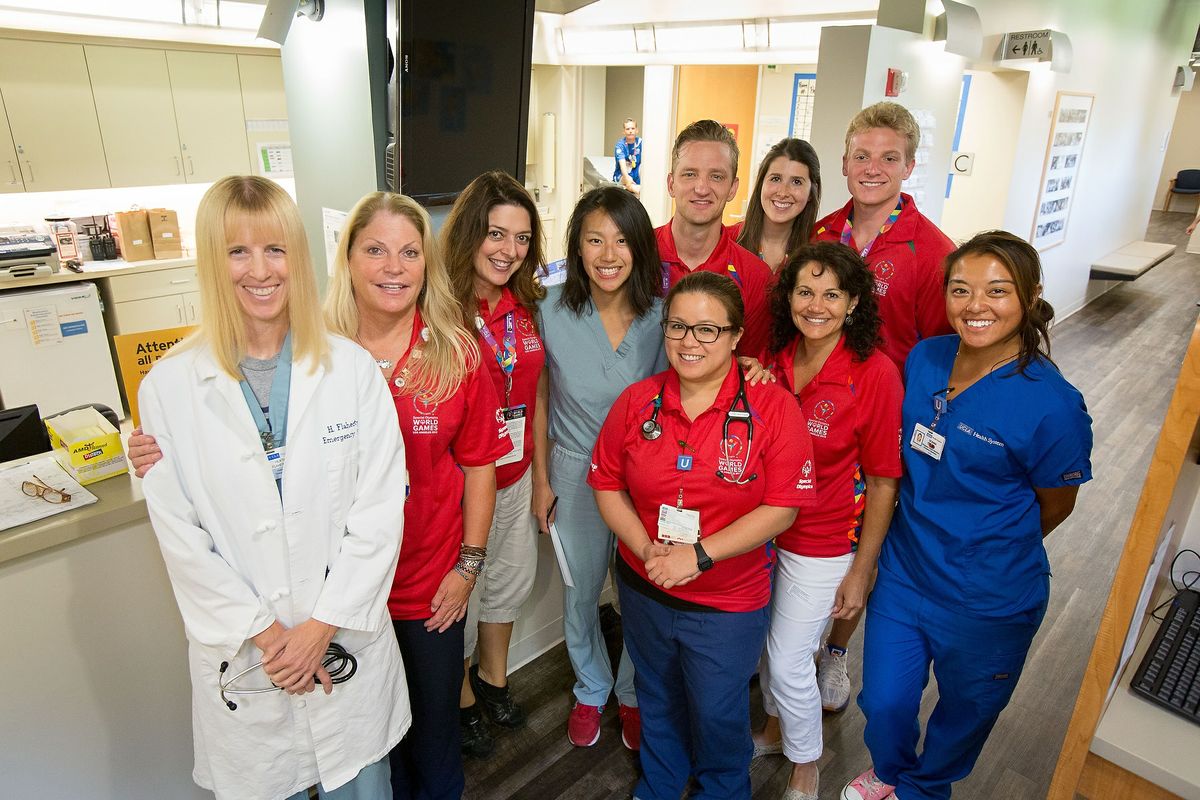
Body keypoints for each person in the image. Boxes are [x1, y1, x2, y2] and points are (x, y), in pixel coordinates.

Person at [132, 189, 508, 800]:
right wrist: (270, 634)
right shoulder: (174, 385)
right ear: (347, 260)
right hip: (258, 643)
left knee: (398, 762)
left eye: (275, 249)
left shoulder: (360, 365)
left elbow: (384, 504)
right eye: (238, 251)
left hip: (387, 603)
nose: (260, 269)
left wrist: (322, 628)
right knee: (276, 780)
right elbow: (182, 534)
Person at [842, 230, 1093, 800]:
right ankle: (890, 770)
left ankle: (926, 789)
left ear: (1029, 296)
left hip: (989, 597)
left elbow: (1056, 504)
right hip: (906, 573)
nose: (976, 305)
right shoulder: (925, 358)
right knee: (884, 701)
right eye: (961, 289)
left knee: (964, 712)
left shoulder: (1052, 404)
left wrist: (982, 546)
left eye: (997, 290)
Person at [589, 271, 816, 800]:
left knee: (717, 708)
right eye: (678, 327)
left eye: (708, 330)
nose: (690, 341)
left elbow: (782, 508)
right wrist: (645, 547)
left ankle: (723, 789)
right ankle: (661, 785)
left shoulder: (773, 408)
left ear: (737, 337)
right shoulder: (637, 402)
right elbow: (606, 484)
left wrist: (700, 555)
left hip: (727, 600)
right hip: (646, 586)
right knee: (658, 695)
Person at [325, 192, 508, 798]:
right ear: (347, 259)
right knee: (365, 748)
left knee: (432, 740)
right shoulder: (314, 354)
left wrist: (468, 566)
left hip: (429, 586)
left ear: (427, 264)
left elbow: (481, 465)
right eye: (375, 250)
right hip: (339, 592)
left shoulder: (455, 353)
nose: (393, 267)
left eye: (409, 253)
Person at [810, 101, 953, 710]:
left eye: (888, 158)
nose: (872, 168)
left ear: (909, 166)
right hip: (815, 415)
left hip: (881, 427)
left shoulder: (931, 250)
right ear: (844, 161)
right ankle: (792, 642)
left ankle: (836, 651)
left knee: (857, 544)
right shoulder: (819, 233)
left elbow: (937, 359)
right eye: (862, 156)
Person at [747, 243, 902, 800]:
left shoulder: (875, 374)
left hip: (824, 541)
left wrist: (862, 570)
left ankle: (806, 764)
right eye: (805, 291)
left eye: (831, 294)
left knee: (791, 660)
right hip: (761, 529)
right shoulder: (776, 354)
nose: (816, 305)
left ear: (854, 302)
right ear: (787, 297)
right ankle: (771, 727)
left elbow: (885, 480)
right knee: (769, 646)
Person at [531, 185, 666, 750]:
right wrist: (541, 480)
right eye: (594, 240)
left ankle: (632, 694)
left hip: (643, 483)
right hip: (571, 475)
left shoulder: (663, 315)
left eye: (620, 240)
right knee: (581, 591)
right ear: (578, 248)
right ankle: (591, 687)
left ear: (638, 247)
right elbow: (538, 397)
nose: (608, 254)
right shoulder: (550, 307)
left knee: (639, 593)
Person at [442, 170, 547, 756]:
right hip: (460, 485)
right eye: (496, 234)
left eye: (523, 238)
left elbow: (535, 390)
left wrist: (540, 479)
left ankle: (493, 679)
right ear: (469, 234)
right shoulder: (438, 307)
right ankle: (459, 698)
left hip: (516, 471)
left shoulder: (524, 302)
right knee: (462, 592)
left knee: (509, 582)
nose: (510, 251)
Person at [657, 119, 774, 357]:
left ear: (732, 188)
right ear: (671, 184)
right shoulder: (634, 253)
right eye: (690, 174)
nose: (701, 188)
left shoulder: (755, 277)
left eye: (716, 177)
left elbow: (748, 366)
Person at [733, 138, 823, 274]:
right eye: (775, 179)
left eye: (797, 182)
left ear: (811, 192)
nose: (782, 192)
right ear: (761, 183)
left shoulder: (819, 252)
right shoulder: (724, 240)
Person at [613, 117, 643, 197]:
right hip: (622, 175)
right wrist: (627, 180)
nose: (630, 131)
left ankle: (637, 188)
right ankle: (634, 188)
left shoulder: (640, 142)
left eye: (633, 128)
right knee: (627, 179)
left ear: (637, 130)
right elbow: (622, 166)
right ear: (624, 131)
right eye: (627, 129)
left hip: (636, 173)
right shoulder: (620, 145)